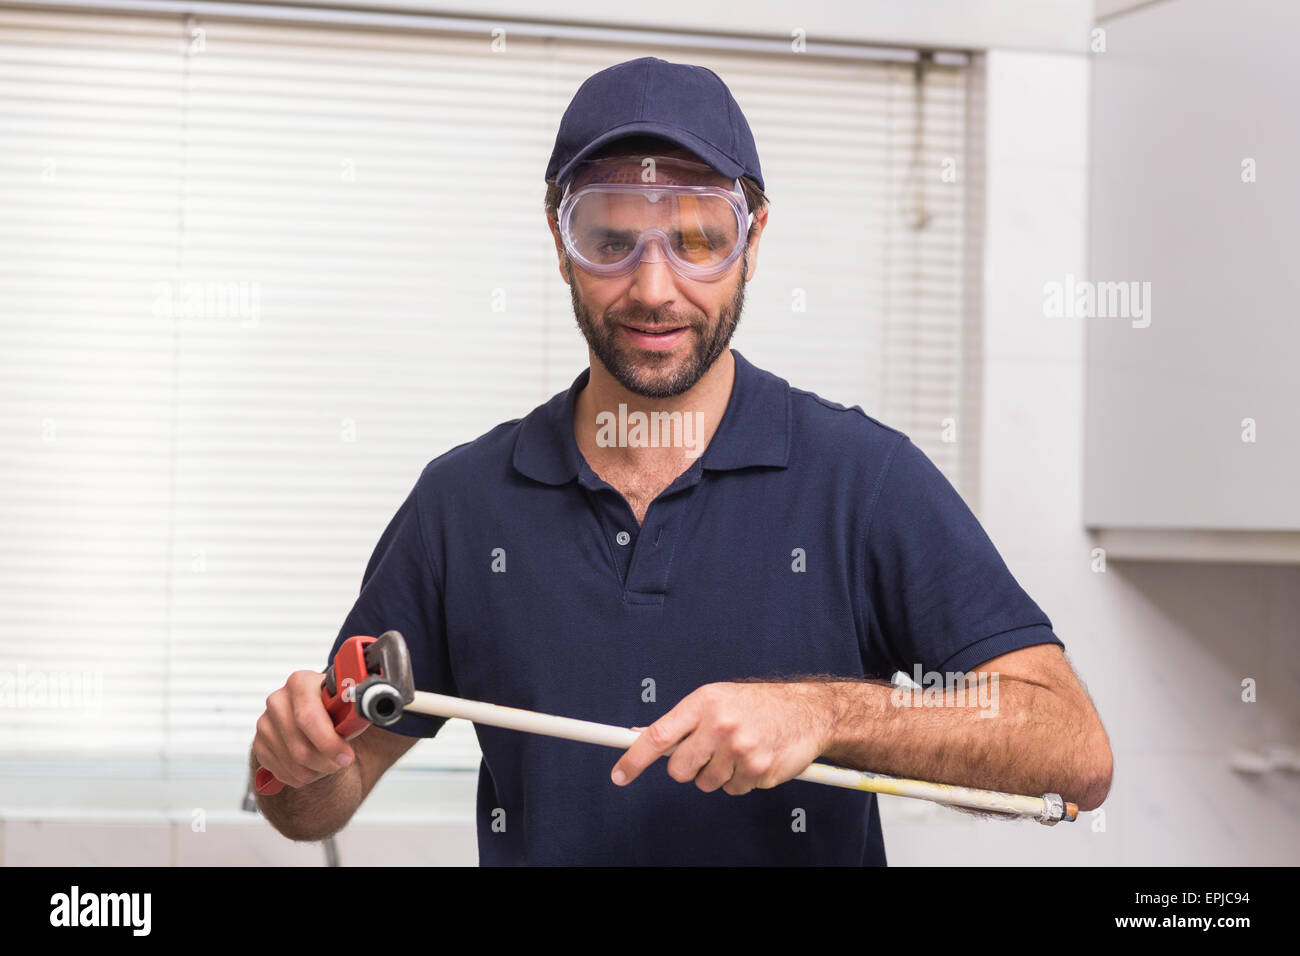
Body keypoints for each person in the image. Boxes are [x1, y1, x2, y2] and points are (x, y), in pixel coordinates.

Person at [251, 56, 1112, 865]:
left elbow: (1071, 751)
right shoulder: (463, 504)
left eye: (698, 240)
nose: (655, 288)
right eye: (611, 239)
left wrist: (820, 712)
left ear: (755, 239)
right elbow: (315, 804)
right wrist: (301, 762)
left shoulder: (864, 482)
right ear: (560, 243)